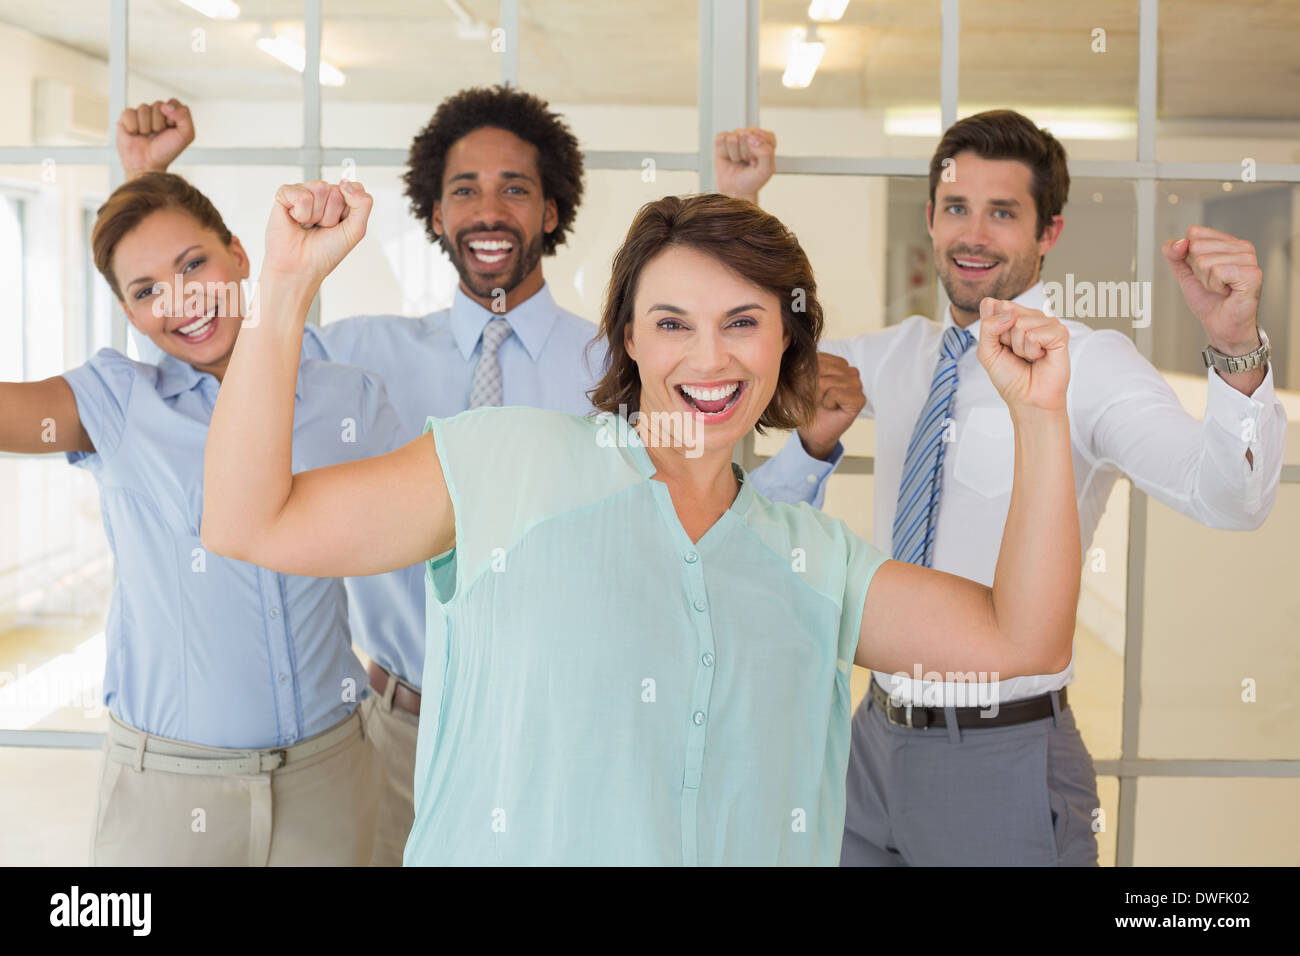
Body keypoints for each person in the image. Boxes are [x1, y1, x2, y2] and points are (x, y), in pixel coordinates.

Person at [200, 178, 1083, 865]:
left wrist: (1040, 415)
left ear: (787, 339)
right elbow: (250, 523)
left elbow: (1024, 638)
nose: (709, 357)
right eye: (672, 324)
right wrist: (286, 286)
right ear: (628, 337)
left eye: (743, 322)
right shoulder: (503, 462)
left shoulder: (815, 561)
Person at [132, 87, 786, 864]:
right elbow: (212, 356)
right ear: (436, 214)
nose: (489, 210)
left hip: (570, 729)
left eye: (516, 188)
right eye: (465, 191)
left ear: (551, 210)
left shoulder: (627, 364)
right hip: (397, 730)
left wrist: (737, 216)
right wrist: (147, 186)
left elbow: (710, 496)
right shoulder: (352, 354)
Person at [754, 110, 1288, 865]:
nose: (973, 235)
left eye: (1002, 212)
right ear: (931, 219)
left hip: (1002, 756)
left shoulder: (1090, 365)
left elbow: (1230, 500)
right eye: (956, 208)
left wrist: (1235, 347)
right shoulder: (896, 355)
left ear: (1048, 233)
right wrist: (740, 203)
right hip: (870, 744)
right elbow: (752, 354)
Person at [0, 100, 402, 865]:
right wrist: (144, 183)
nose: (180, 300)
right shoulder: (118, 404)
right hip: (169, 791)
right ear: (128, 313)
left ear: (241, 254)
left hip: (330, 775)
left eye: (194, 265)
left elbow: (410, 544)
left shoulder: (346, 396)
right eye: (146, 290)